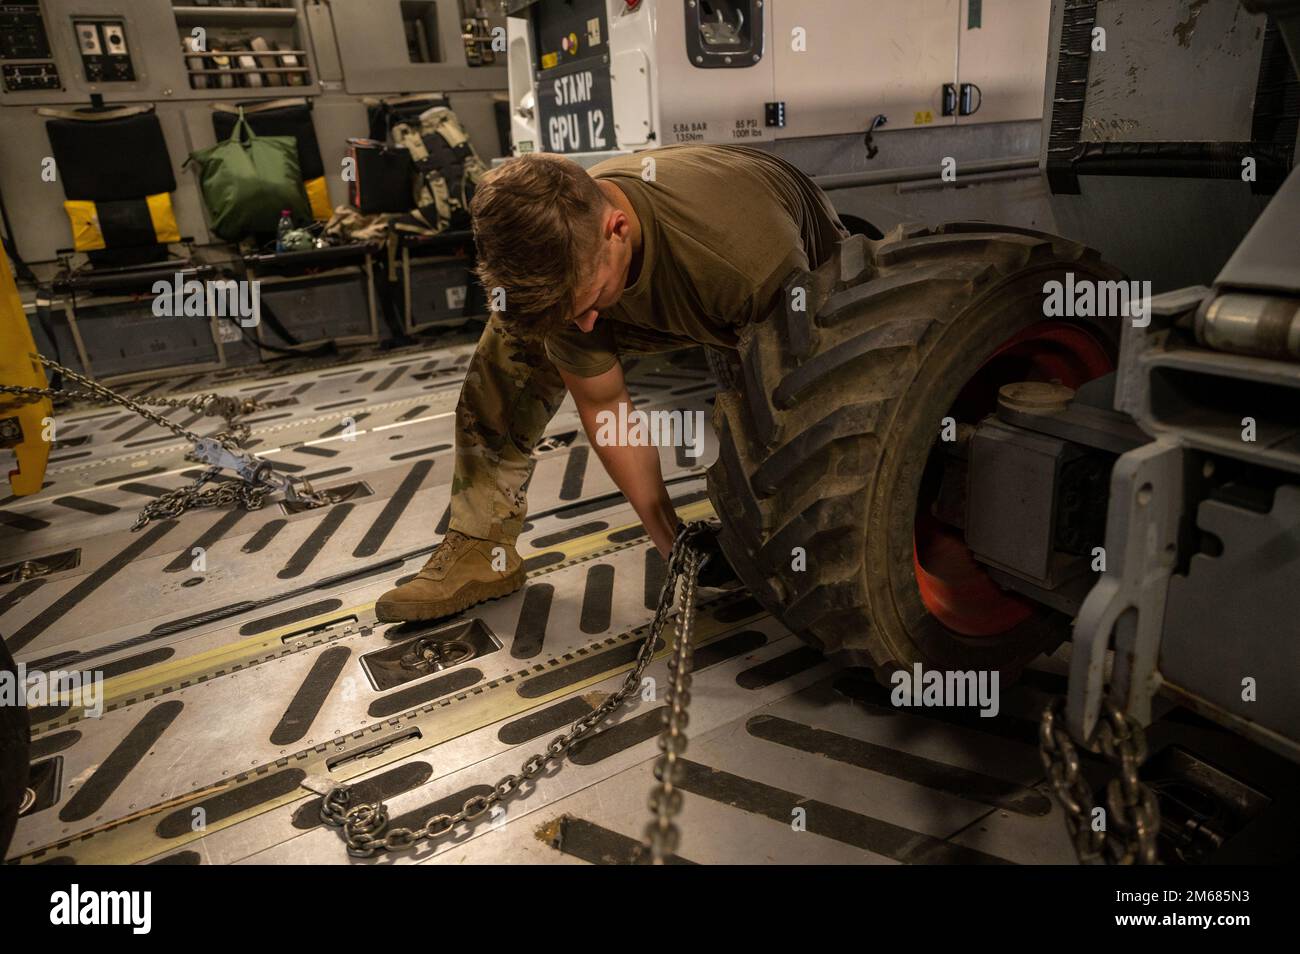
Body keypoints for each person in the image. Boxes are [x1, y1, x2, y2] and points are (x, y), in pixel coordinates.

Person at [375, 143, 848, 622]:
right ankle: (481, 545)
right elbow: (606, 405)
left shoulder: (746, 259)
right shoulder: (573, 256)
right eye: (573, 313)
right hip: (654, 273)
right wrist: (673, 543)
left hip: (776, 266)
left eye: (588, 303)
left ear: (617, 229)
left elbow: (803, 406)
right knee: (514, 338)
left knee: (783, 415)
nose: (583, 327)